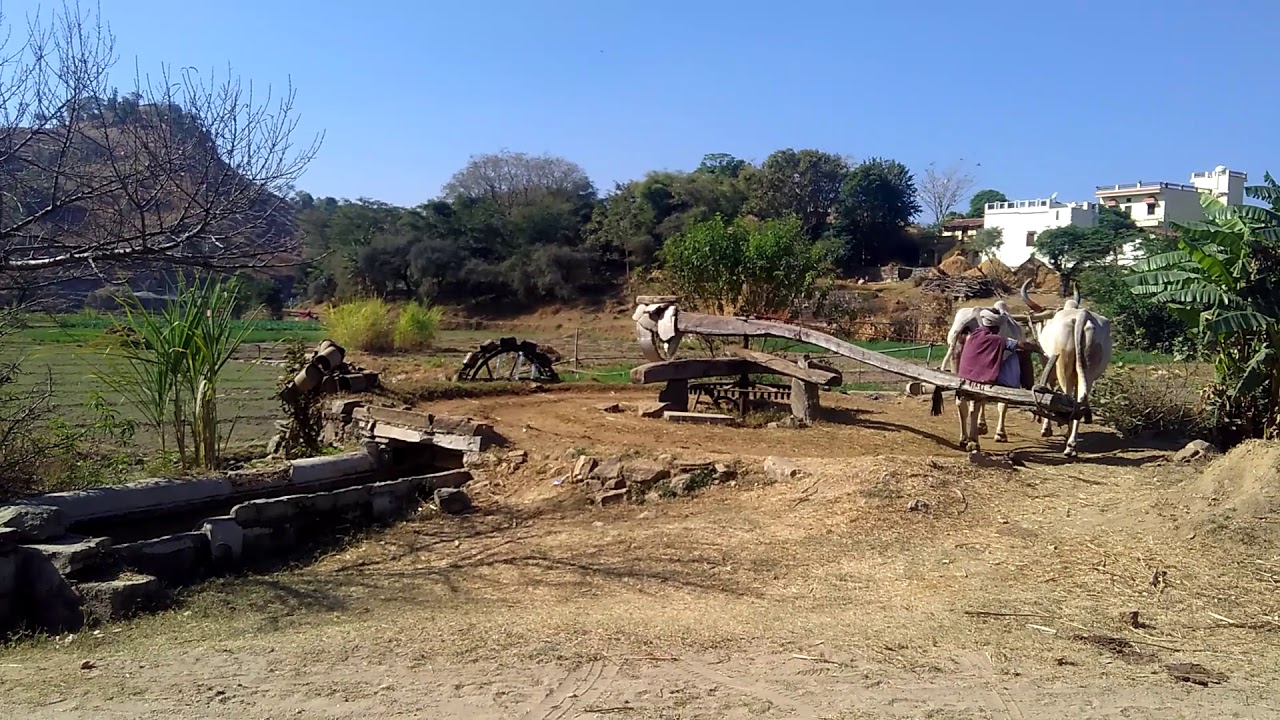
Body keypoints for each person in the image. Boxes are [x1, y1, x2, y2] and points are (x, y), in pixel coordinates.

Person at [957, 309, 1039, 388]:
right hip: (983, 379)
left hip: (967, 375)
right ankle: (1029, 389)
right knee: (1023, 354)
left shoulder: (974, 334)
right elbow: (1021, 345)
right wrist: (1036, 348)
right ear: (997, 327)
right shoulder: (995, 339)